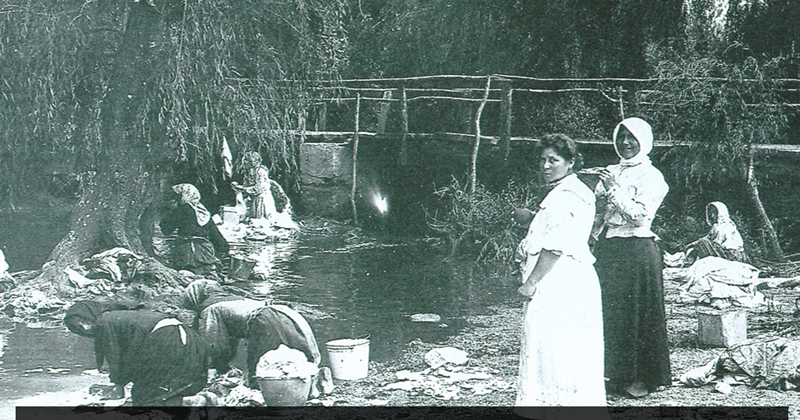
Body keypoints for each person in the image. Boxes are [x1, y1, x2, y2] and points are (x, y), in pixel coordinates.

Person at [514, 134, 607, 418]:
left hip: (560, 280)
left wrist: (531, 282)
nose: (545, 166)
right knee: (559, 348)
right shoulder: (568, 191)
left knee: (557, 348)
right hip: (566, 278)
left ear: (570, 163)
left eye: (553, 160)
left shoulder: (568, 195)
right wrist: (532, 220)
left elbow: (555, 246)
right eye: (542, 160)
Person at [590, 117, 671, 398]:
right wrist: (593, 225)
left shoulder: (652, 177)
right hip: (610, 248)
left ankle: (640, 378)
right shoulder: (610, 171)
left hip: (638, 250)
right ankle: (615, 374)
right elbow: (600, 214)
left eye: (632, 138)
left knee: (637, 314)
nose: (625, 143)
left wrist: (612, 189)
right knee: (611, 312)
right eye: (621, 136)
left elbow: (638, 217)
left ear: (644, 141)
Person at [64, 301, 208, 406]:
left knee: (143, 398)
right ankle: (196, 396)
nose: (84, 328)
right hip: (188, 337)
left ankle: (186, 402)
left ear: (89, 314)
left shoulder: (106, 321)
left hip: (166, 339)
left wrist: (118, 386)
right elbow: (132, 356)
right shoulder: (123, 317)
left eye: (83, 322)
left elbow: (116, 356)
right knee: (165, 383)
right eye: (77, 328)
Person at [182, 279, 321, 388]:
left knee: (263, 368)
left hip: (265, 320)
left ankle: (264, 395)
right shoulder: (233, 299)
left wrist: (212, 367)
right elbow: (229, 339)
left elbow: (214, 343)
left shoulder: (211, 309)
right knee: (291, 360)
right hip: (285, 314)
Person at [160, 183, 229, 277]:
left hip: (186, 252)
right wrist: (224, 248)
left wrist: (169, 210)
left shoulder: (182, 209)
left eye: (178, 196)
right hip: (205, 251)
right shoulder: (202, 211)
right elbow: (215, 234)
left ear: (183, 195)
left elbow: (166, 229)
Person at [231, 151, 291, 221]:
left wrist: (242, 188)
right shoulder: (251, 171)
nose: (244, 163)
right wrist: (238, 187)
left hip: (262, 200)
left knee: (262, 220)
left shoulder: (261, 172)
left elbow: (258, 189)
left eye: (246, 161)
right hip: (254, 200)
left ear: (253, 161)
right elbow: (247, 185)